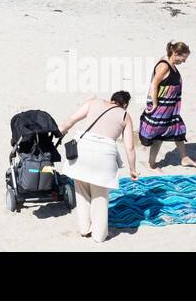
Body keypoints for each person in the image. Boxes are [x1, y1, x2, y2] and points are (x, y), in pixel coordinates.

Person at [58, 91, 138, 243]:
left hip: (82, 152)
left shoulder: (93, 102)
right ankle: (99, 235)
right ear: (125, 105)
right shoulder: (124, 116)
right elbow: (130, 147)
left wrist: (58, 132)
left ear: (111, 100)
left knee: (81, 192)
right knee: (100, 196)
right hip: (104, 156)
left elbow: (71, 120)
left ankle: (84, 229)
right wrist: (132, 169)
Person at [139, 42, 196, 168]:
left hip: (169, 107)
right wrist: (154, 104)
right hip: (161, 106)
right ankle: (152, 164)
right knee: (159, 135)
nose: (184, 62)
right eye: (183, 58)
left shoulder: (168, 61)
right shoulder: (164, 66)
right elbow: (154, 84)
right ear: (176, 53)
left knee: (178, 130)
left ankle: (184, 158)